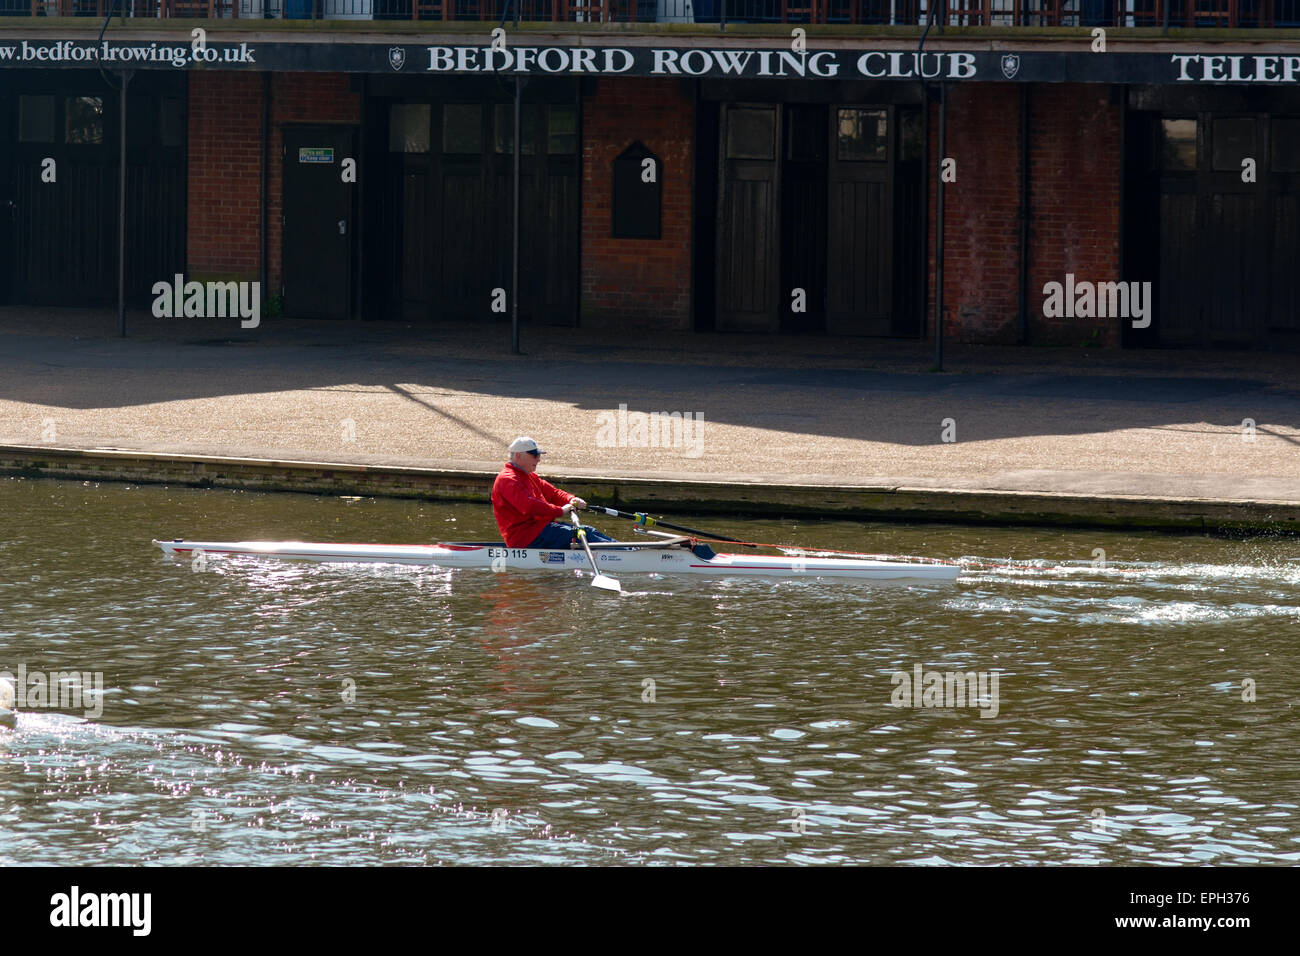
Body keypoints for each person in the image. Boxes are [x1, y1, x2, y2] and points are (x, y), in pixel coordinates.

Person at [491, 437, 615, 549]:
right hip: (526, 538)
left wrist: (571, 499)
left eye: (538, 455)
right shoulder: (507, 479)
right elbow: (528, 506)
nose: (538, 459)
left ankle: (629, 551)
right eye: (534, 455)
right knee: (583, 534)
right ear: (518, 456)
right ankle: (627, 555)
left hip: (541, 530)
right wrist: (560, 511)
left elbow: (553, 493)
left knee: (588, 531)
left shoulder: (529, 476)